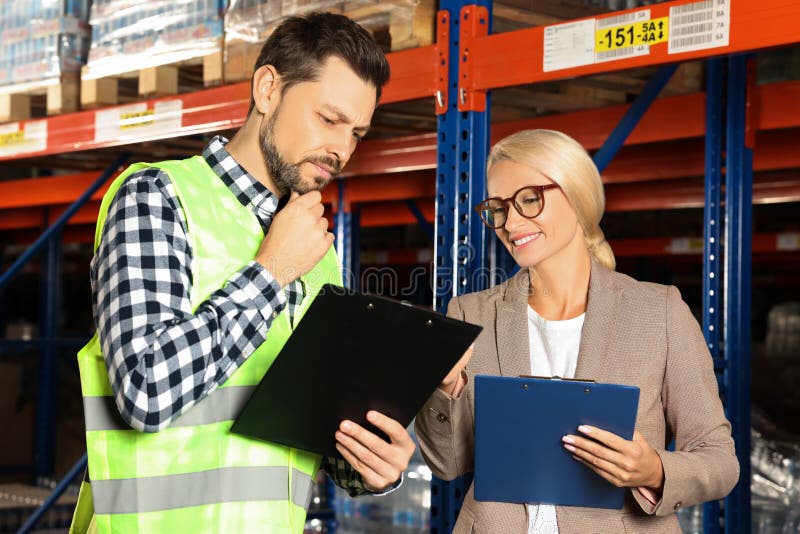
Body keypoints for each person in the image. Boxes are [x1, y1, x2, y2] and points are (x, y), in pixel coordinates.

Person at [71, 13, 416, 533]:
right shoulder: (157, 197)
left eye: (356, 133)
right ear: (268, 89)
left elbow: (311, 430)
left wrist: (372, 465)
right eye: (329, 119)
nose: (342, 150)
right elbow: (144, 391)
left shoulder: (317, 249)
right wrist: (271, 272)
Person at [414, 129, 739, 533]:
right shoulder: (471, 313)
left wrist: (654, 470)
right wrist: (445, 389)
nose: (510, 222)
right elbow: (448, 464)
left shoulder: (659, 313)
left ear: (576, 195)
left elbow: (719, 460)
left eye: (529, 199)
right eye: (498, 208)